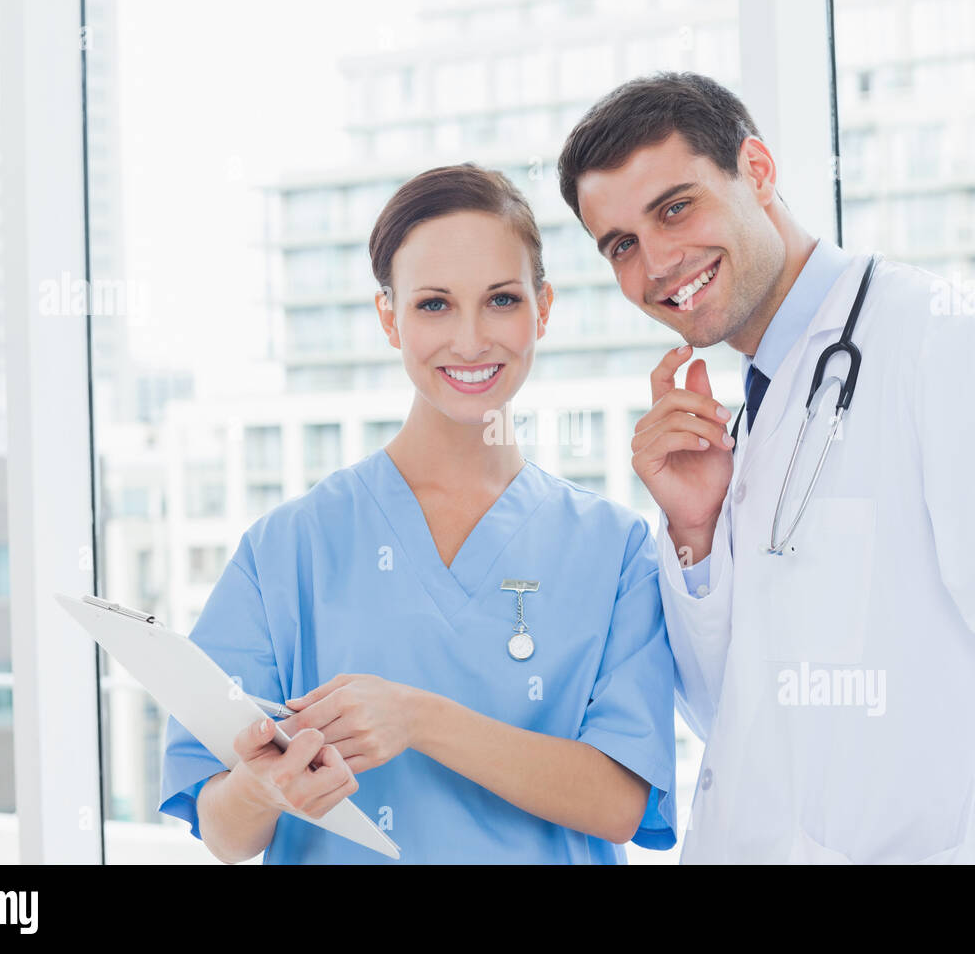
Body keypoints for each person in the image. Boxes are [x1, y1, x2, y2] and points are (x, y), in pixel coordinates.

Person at [556, 71, 975, 863]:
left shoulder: (934, 343)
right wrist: (696, 530)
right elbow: (741, 717)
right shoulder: (754, 411)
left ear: (757, 170)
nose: (657, 262)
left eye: (675, 207)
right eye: (621, 245)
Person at [158, 163, 677, 864]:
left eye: (501, 300)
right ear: (388, 318)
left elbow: (621, 803)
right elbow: (222, 829)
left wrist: (419, 719)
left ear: (543, 309)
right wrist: (263, 788)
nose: (469, 340)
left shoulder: (614, 549)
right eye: (434, 304)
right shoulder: (290, 548)